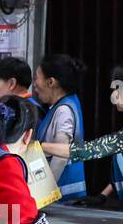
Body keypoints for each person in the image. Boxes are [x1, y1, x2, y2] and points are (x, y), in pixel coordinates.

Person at [40, 59, 123, 211]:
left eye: (117, 88)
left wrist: (39, 146)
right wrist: (103, 195)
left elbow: (89, 150)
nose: (113, 95)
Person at [33, 53, 88, 200]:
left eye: (37, 78)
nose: (34, 85)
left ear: (51, 82)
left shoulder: (63, 111)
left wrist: (44, 195)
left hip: (63, 199)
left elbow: (60, 156)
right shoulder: (66, 104)